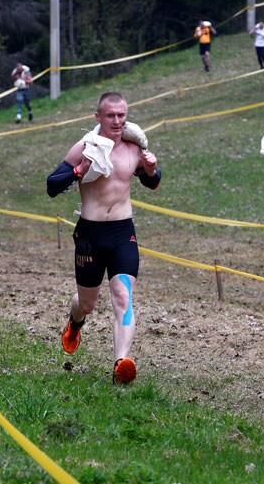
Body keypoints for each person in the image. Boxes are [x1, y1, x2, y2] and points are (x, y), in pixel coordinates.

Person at [46, 92, 161, 384]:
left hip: (123, 233)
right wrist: (77, 170)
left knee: (123, 296)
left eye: (122, 115)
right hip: (90, 234)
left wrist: (150, 169)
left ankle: (121, 363)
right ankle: (75, 322)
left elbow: (152, 182)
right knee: (87, 303)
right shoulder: (85, 147)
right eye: (110, 115)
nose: (117, 121)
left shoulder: (134, 148)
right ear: (98, 117)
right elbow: (51, 185)